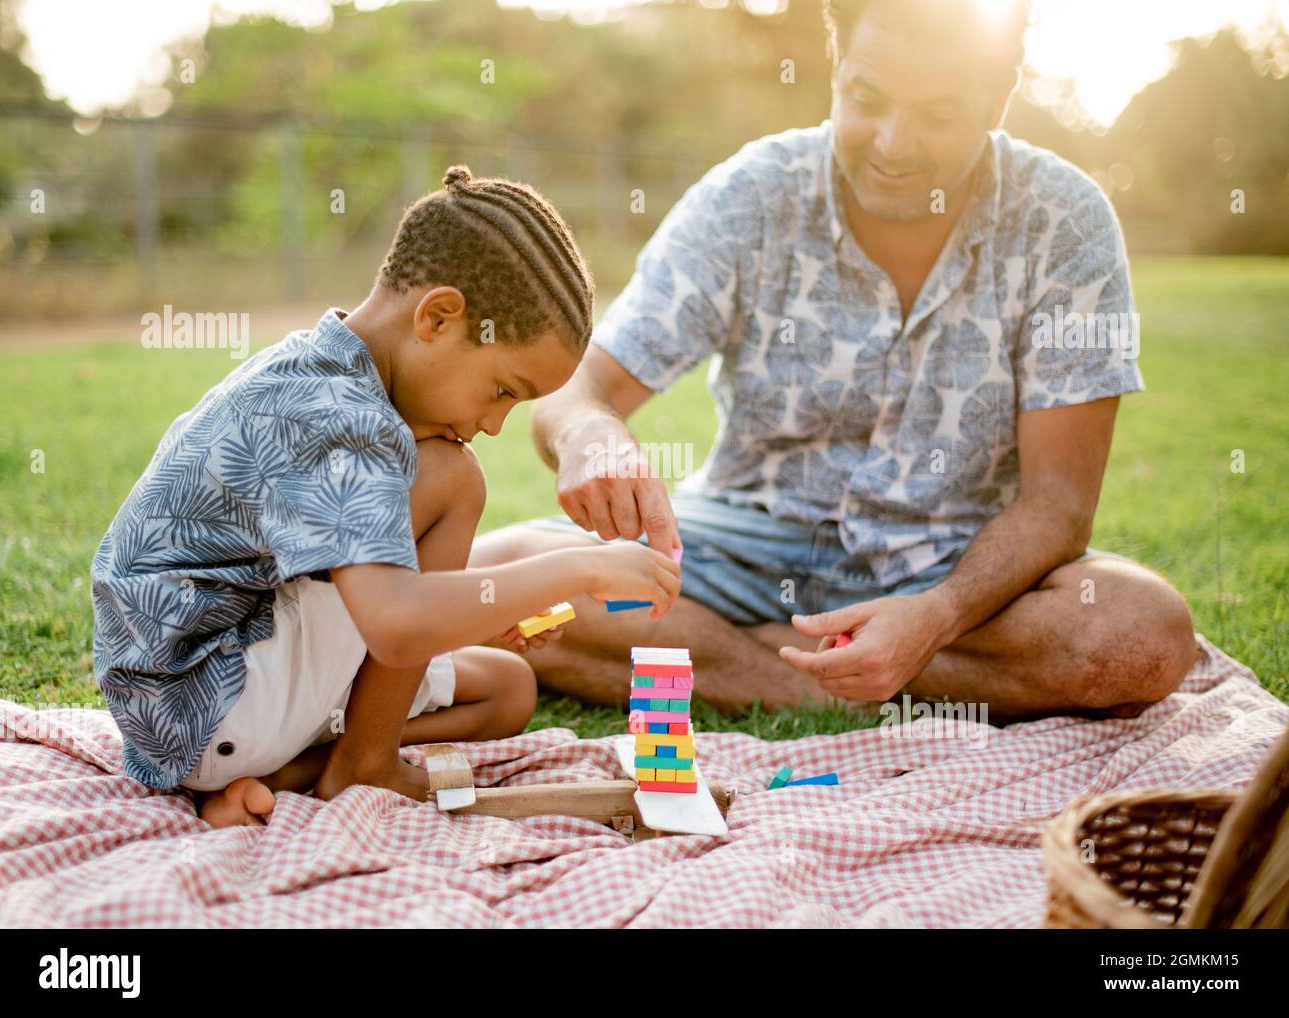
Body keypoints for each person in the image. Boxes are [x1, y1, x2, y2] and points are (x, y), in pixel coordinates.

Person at [470, 0, 1198, 722]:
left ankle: (759, 664)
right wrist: (591, 437)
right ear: (835, 70)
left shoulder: (1066, 221)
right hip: (738, 551)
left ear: (999, 98)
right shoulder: (750, 194)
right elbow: (579, 391)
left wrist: (937, 615)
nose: (891, 143)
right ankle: (833, 680)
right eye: (867, 99)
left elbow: (1058, 507)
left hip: (961, 570)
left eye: (938, 115)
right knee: (479, 580)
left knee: (1140, 633)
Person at [91, 166, 681, 828]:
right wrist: (583, 567)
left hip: (190, 705)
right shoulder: (345, 417)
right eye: (502, 391)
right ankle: (363, 765)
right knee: (456, 480)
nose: (493, 424)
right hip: (206, 693)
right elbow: (397, 627)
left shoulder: (326, 369)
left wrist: (480, 609)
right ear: (437, 316)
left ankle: (286, 775)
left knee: (507, 688)